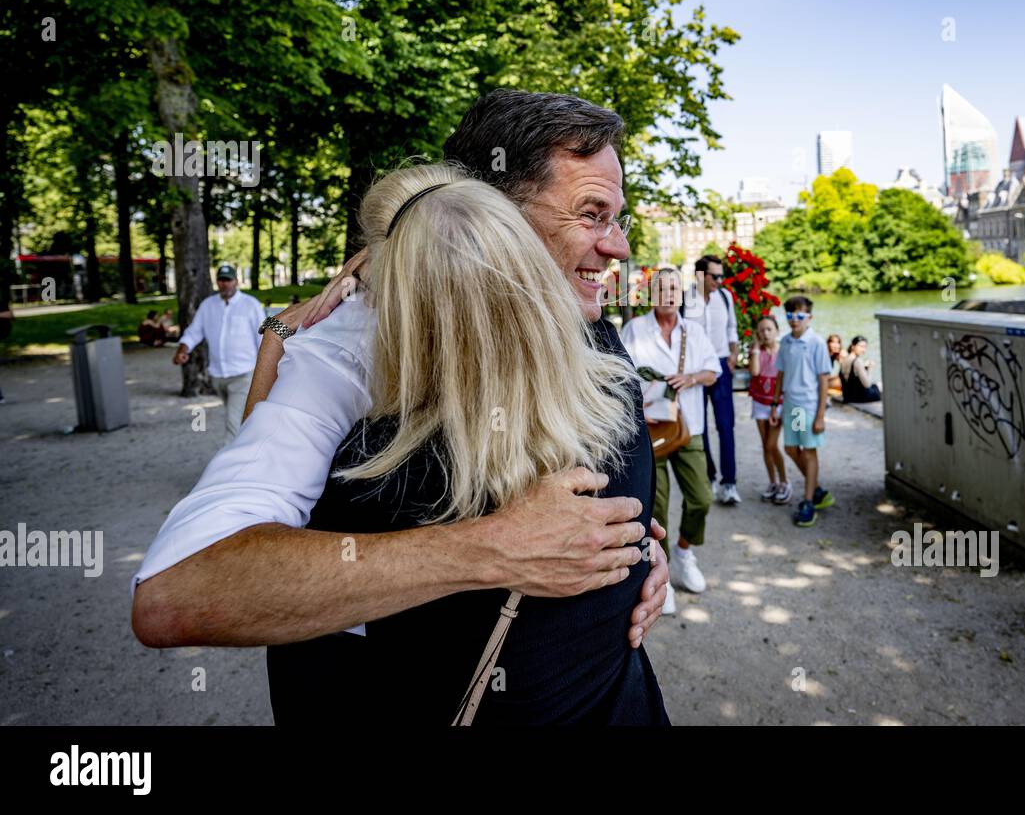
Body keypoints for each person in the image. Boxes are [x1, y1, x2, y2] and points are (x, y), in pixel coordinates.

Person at [131, 90, 668, 669]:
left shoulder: (588, 325)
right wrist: (493, 550)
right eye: (591, 214)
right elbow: (176, 591)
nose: (619, 246)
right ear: (492, 214)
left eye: (618, 217)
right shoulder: (358, 342)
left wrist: (636, 549)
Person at [265, 163, 669, 725]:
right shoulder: (606, 382)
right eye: (591, 215)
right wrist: (639, 550)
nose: (616, 246)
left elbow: (256, 582)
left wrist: (276, 338)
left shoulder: (372, 468)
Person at [621, 266, 719, 616]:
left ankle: (683, 552)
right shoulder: (635, 329)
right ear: (651, 293)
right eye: (661, 288)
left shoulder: (694, 331)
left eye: (674, 288)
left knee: (701, 498)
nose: (668, 293)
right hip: (650, 431)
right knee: (656, 509)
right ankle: (659, 578)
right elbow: (621, 376)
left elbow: (713, 372)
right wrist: (636, 407)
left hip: (686, 428)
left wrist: (690, 377)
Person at [172, 264, 264, 443]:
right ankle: (252, 452)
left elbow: (262, 338)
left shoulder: (250, 305)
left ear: (236, 282)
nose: (225, 284)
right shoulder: (208, 305)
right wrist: (183, 349)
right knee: (240, 420)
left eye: (228, 280)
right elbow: (194, 331)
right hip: (218, 376)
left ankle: (229, 468)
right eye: (221, 280)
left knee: (233, 425)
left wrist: (266, 370)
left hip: (244, 375)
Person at [769, 295, 834, 528]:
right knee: (791, 448)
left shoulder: (816, 343)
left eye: (799, 316)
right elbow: (781, 374)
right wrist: (775, 404)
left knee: (809, 452)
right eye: (789, 316)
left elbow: (824, 381)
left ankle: (808, 502)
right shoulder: (786, 342)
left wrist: (820, 416)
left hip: (809, 405)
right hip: (792, 406)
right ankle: (815, 488)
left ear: (809, 317)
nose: (794, 320)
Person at [682, 254, 740, 505]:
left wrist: (734, 353)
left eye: (721, 276)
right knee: (700, 426)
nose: (720, 280)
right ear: (700, 276)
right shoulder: (686, 299)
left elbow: (732, 330)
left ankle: (730, 483)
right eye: (714, 276)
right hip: (696, 372)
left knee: (726, 426)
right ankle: (710, 477)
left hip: (721, 369)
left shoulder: (725, 297)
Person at [748, 314, 790, 503]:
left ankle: (785, 482)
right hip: (759, 403)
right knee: (765, 445)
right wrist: (756, 349)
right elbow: (755, 372)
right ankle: (773, 482)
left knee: (772, 444)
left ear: (777, 331)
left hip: (776, 403)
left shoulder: (783, 351)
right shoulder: (756, 351)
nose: (765, 333)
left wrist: (776, 405)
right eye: (762, 330)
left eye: (769, 329)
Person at [840, 335, 881, 404]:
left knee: (876, 385)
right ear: (853, 346)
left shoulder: (845, 359)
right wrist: (870, 368)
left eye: (865, 347)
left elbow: (849, 377)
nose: (863, 350)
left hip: (847, 396)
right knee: (881, 386)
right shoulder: (857, 361)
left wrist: (864, 368)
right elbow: (867, 384)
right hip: (859, 397)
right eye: (861, 346)